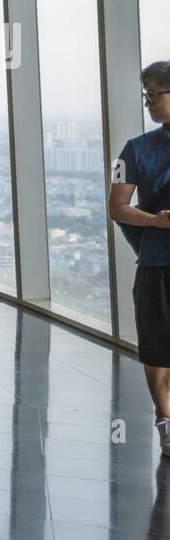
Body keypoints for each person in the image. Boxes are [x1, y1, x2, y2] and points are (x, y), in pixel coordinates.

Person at [109, 61, 170, 457]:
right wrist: (158, 223)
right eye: (145, 95)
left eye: (154, 95)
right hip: (157, 266)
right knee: (158, 348)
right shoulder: (134, 149)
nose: (147, 102)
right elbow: (117, 207)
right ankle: (165, 422)